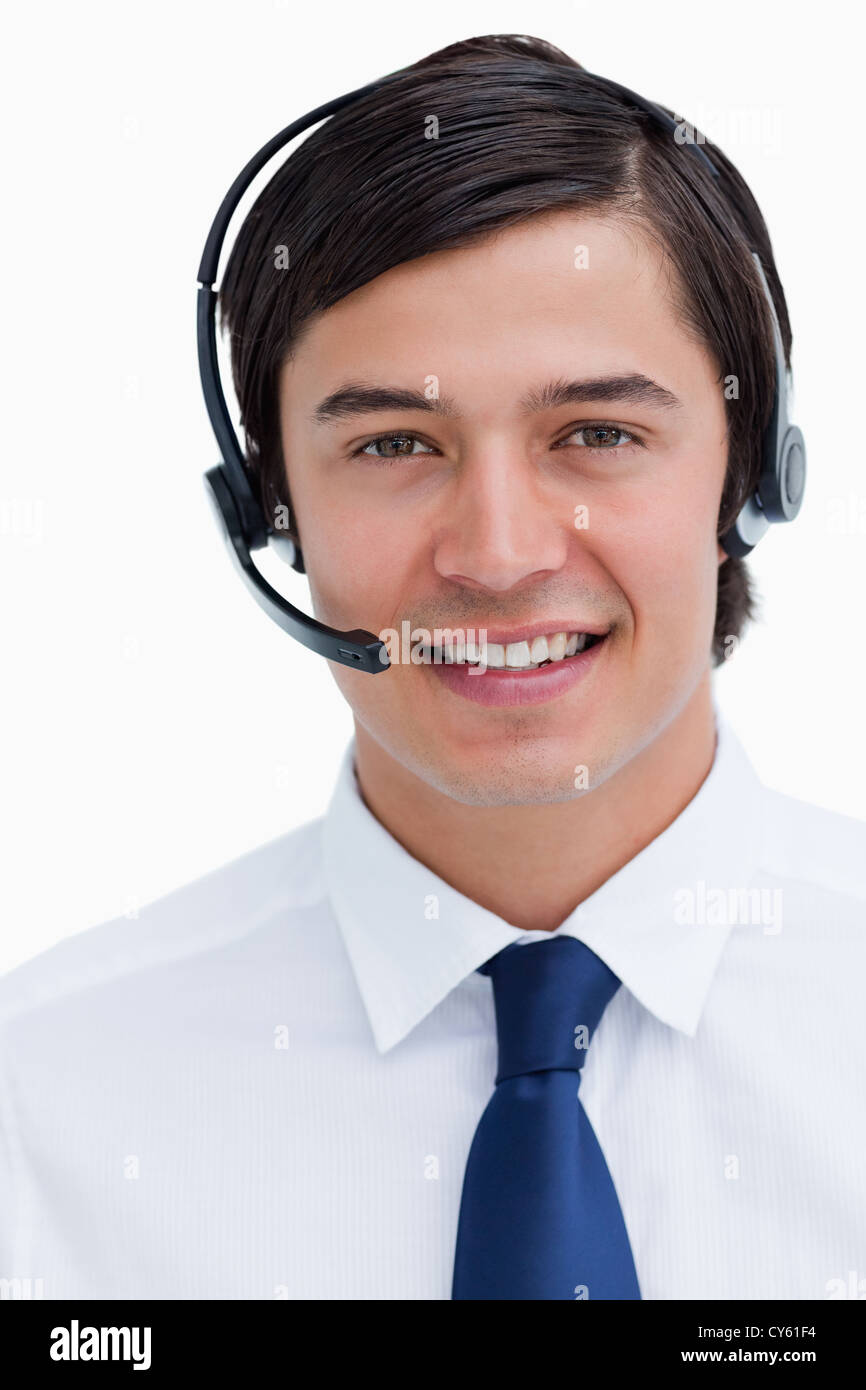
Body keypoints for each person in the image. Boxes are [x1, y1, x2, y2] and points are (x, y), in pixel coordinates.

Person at [1, 33, 864, 1302]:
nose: (498, 555)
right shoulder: (40, 1103)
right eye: (396, 444)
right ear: (268, 510)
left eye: (595, 431)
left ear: (747, 478)